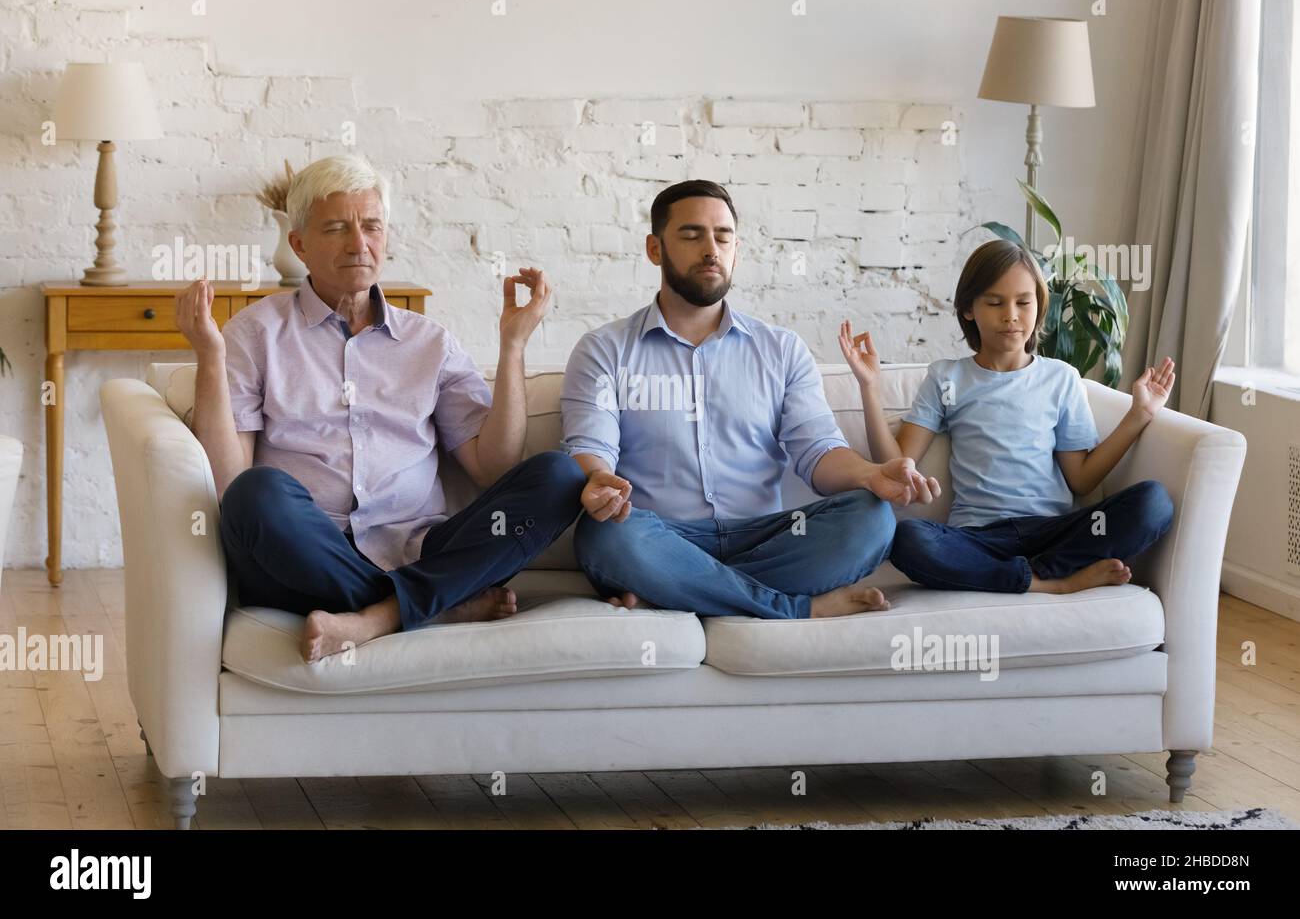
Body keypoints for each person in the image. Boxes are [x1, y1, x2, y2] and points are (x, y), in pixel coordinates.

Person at [175, 154, 586, 662]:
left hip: (418, 548)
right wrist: (209, 356)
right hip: (307, 558)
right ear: (298, 243)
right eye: (336, 228)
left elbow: (493, 467)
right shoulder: (255, 334)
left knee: (559, 476)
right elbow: (228, 480)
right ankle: (435, 603)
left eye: (371, 225)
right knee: (255, 494)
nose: (358, 242)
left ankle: (379, 618)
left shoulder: (430, 343)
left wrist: (513, 346)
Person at [562, 179, 941, 620]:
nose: (711, 249)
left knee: (871, 518)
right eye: (691, 235)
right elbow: (592, 449)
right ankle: (791, 607)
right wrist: (597, 482)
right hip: (660, 536)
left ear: (736, 250)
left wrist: (872, 475)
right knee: (605, 536)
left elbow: (818, 452)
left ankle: (679, 590)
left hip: (769, 540)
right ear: (654, 249)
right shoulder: (604, 350)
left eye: (723, 237)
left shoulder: (780, 349)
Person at [838, 237, 1175, 595]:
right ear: (969, 309)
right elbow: (896, 465)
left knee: (1153, 503)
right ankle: (1052, 583)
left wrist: (1139, 414)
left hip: (1053, 531)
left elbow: (1081, 480)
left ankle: (1036, 574)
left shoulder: (1061, 378)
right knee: (909, 539)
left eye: (1023, 302)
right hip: (978, 538)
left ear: (1039, 307)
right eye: (995, 302)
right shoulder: (946, 377)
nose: (1011, 315)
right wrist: (869, 387)